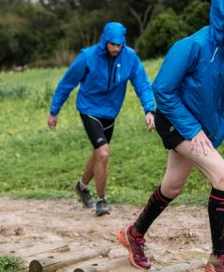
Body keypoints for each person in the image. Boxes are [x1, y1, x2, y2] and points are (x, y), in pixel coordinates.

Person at [117, 0, 224, 272]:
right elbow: (162, 91)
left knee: (173, 185)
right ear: (222, 15)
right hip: (173, 118)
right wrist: (194, 132)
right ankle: (219, 258)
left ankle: (134, 234)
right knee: (223, 177)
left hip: (203, 125)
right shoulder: (191, 46)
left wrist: (212, 136)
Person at [48, 21, 155, 217]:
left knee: (99, 154)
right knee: (104, 153)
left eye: (119, 44)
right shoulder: (87, 57)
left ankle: (81, 187)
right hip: (89, 109)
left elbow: (142, 83)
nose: (116, 48)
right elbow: (66, 84)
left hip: (110, 112)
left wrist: (149, 109)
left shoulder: (129, 57)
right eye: (112, 44)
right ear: (104, 41)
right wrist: (54, 111)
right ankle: (102, 200)